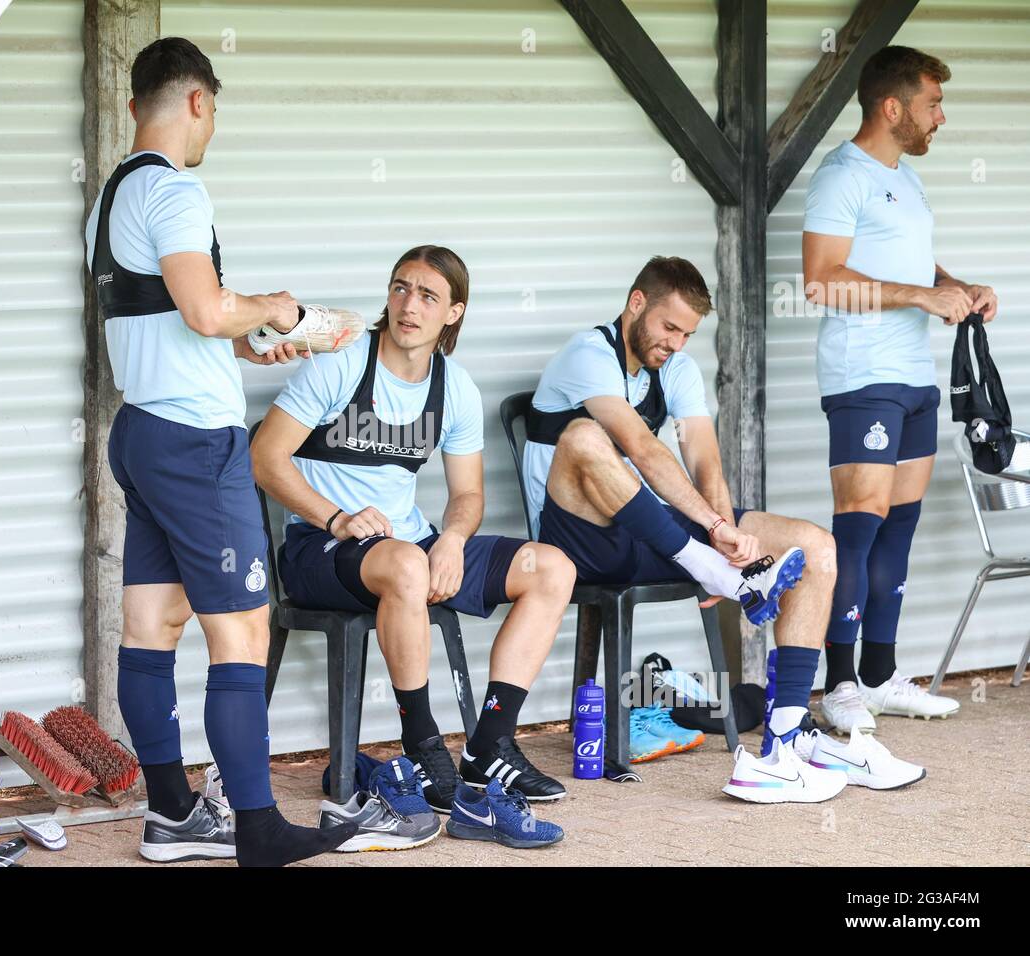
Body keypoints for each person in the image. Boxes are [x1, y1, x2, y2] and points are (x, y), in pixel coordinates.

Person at [84, 36, 355, 866]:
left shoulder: (111, 198)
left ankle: (171, 814)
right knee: (241, 628)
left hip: (144, 432)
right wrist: (275, 307)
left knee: (153, 623)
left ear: (137, 104)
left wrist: (249, 348)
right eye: (214, 112)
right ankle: (260, 828)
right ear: (198, 101)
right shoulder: (174, 189)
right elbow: (205, 309)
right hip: (197, 447)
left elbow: (164, 317)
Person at [525, 255, 923, 803]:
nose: (677, 343)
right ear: (636, 303)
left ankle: (787, 738)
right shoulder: (589, 354)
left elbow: (705, 461)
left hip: (659, 533)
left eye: (688, 333)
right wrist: (710, 534)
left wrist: (723, 534)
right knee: (585, 437)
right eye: (669, 328)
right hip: (579, 540)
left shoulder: (678, 369)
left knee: (817, 546)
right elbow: (642, 446)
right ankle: (712, 571)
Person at [252, 245, 574, 845]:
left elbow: (468, 494)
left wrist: (452, 539)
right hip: (321, 548)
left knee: (551, 567)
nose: (409, 305)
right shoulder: (342, 364)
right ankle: (424, 745)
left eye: (428, 296)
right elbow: (265, 458)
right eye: (400, 288)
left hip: (408, 542)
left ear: (454, 313)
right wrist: (335, 517)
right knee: (405, 563)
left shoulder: (455, 388)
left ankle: (487, 748)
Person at [802, 46, 996, 733]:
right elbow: (821, 279)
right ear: (893, 107)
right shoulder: (841, 176)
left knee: (899, 530)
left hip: (915, 377)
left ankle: (880, 676)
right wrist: (920, 294)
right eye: (932, 104)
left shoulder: (904, 180)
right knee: (860, 527)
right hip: (864, 377)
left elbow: (907, 260)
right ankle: (839, 685)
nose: (940, 117)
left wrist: (956, 287)